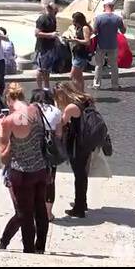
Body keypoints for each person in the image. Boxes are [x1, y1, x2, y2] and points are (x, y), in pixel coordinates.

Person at [0, 83, 55, 253]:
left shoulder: (9, 121)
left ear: (8, 99)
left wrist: (1, 129)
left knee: (25, 213)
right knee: (41, 210)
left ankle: (29, 250)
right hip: (41, 169)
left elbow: (4, 156)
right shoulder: (36, 110)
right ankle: (40, 247)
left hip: (21, 173)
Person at [54, 84, 100, 218]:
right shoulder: (86, 100)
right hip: (87, 142)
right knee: (82, 174)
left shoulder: (71, 107)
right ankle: (82, 202)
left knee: (79, 176)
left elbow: (61, 123)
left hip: (77, 144)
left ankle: (79, 208)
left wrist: (57, 106)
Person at [92, 0, 125, 91]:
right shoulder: (118, 18)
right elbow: (123, 31)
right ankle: (115, 85)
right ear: (113, 7)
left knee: (99, 65)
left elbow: (94, 31)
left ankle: (97, 85)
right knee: (114, 65)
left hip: (101, 44)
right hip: (113, 44)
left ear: (104, 7)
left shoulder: (98, 18)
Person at [33, 3, 59, 91]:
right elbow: (37, 33)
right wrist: (51, 35)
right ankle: (41, 88)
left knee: (47, 69)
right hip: (42, 48)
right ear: (50, 9)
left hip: (50, 47)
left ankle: (46, 87)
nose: (56, 13)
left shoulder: (53, 18)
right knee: (41, 69)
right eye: (55, 11)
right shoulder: (42, 19)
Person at [67, 12, 93, 93]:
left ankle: (77, 92)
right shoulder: (79, 27)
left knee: (73, 75)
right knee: (79, 76)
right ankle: (81, 92)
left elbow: (87, 41)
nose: (73, 22)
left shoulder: (85, 28)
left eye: (74, 20)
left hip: (81, 54)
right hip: (76, 53)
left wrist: (76, 40)